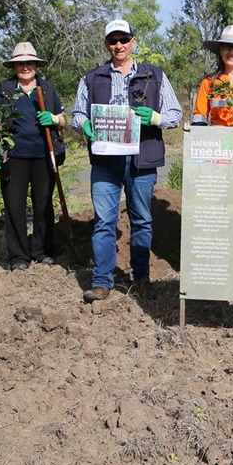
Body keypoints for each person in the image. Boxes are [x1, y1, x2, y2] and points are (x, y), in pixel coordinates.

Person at [73, 19, 182, 302]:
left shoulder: (154, 75)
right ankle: (101, 281)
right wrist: (84, 125)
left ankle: (142, 278)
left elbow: (175, 114)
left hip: (141, 159)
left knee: (142, 220)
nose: (118, 45)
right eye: (113, 40)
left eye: (124, 39)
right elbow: (78, 114)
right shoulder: (92, 77)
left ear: (134, 41)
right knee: (104, 221)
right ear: (106, 44)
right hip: (105, 162)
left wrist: (156, 118)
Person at [0, 42, 65, 271]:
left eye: (29, 62)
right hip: (14, 156)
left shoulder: (47, 88)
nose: (25, 67)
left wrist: (53, 118)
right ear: (14, 66)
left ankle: (41, 251)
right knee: (15, 205)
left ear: (36, 66)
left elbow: (63, 119)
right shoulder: (5, 88)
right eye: (20, 63)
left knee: (43, 203)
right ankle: (18, 256)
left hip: (44, 154)